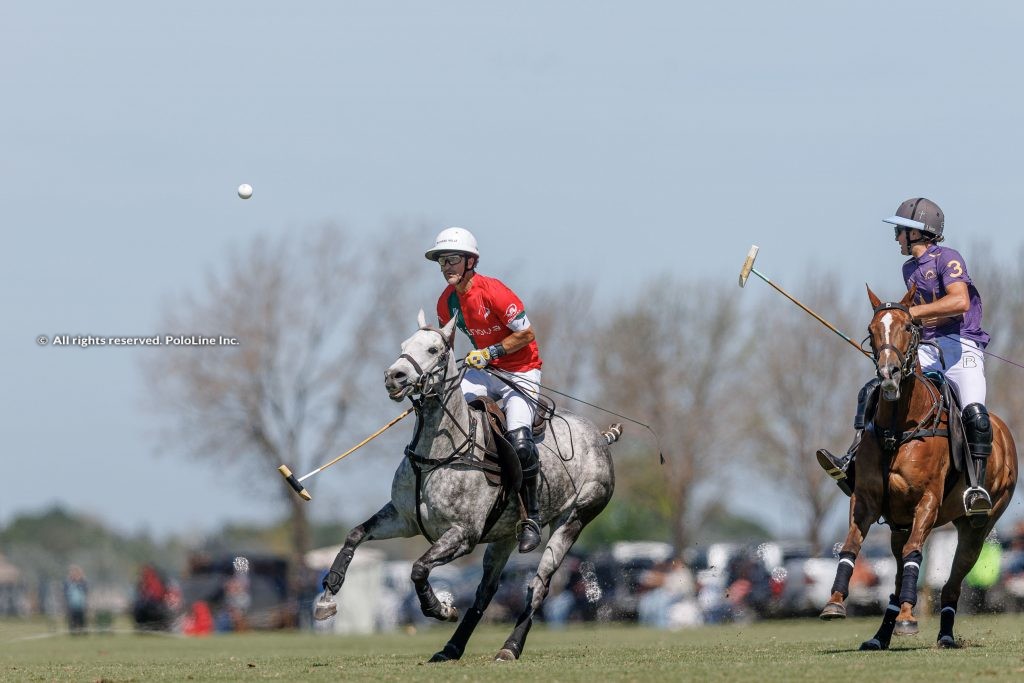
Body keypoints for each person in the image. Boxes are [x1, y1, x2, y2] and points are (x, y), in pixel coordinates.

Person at [817, 197, 993, 516]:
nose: (896, 237)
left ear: (917, 232)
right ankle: (852, 460)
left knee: (975, 413)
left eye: (900, 230)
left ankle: (976, 488)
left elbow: (960, 302)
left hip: (961, 345)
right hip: (927, 346)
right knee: (877, 389)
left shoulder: (948, 258)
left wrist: (910, 313)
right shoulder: (909, 269)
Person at [426, 226, 545, 552]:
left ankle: (531, 517)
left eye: (452, 259)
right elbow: (447, 348)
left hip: (520, 371)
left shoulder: (494, 292)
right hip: (484, 373)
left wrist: (491, 352)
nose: (446, 267)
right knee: (447, 416)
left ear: (470, 261)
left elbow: (527, 334)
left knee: (520, 441)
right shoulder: (446, 302)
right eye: (442, 261)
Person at [63, 564, 88, 635]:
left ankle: (83, 633)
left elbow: (86, 591)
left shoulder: (83, 583)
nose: (75, 575)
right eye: (73, 573)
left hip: (81, 605)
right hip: (71, 606)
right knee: (72, 621)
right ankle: (73, 634)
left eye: (76, 573)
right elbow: (65, 593)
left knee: (82, 621)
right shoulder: (68, 583)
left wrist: (79, 581)